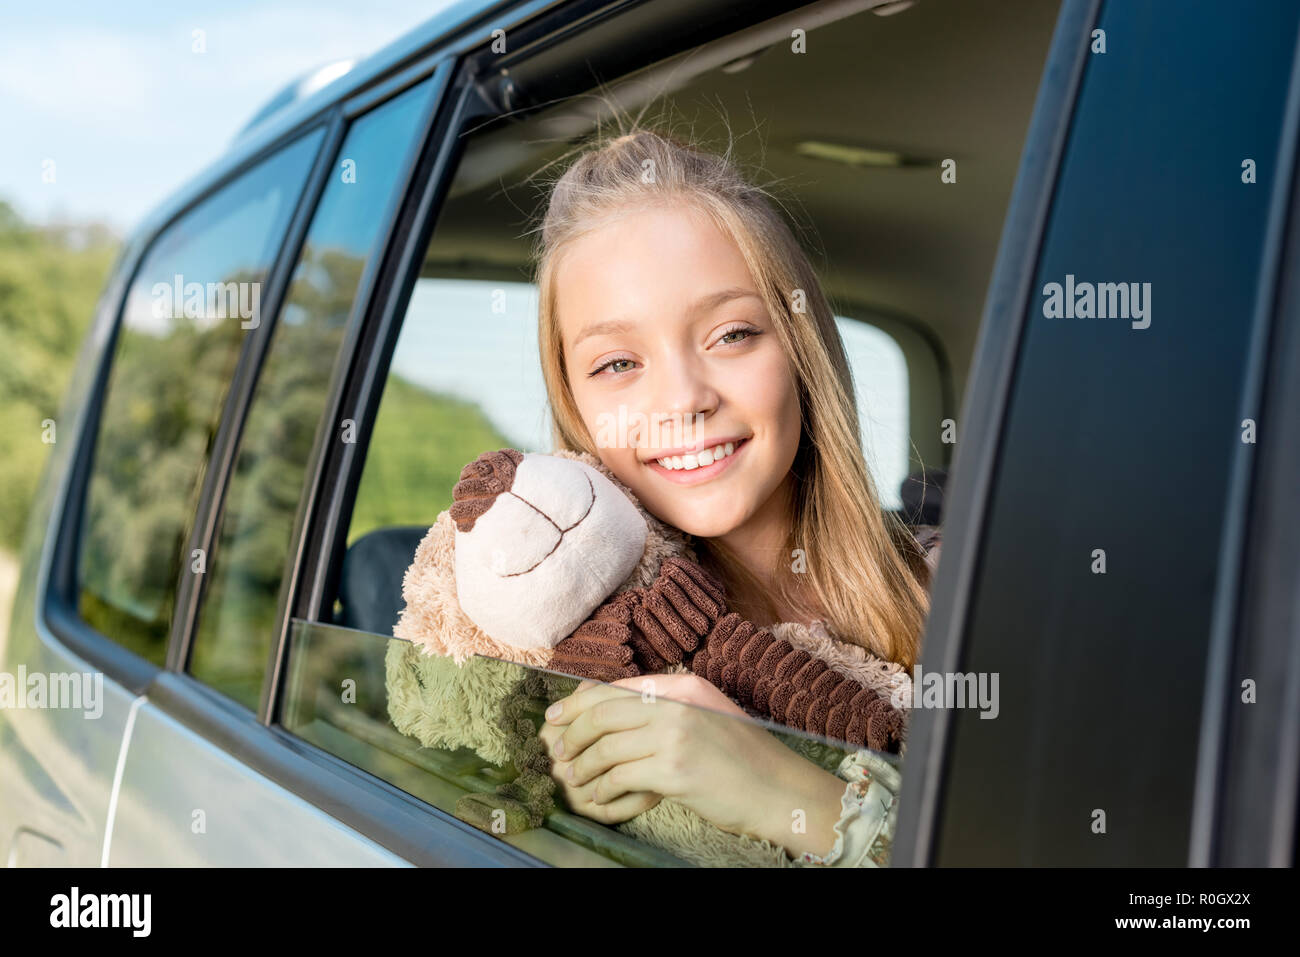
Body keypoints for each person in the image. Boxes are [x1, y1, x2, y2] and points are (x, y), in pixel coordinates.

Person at [531, 125, 940, 866]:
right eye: (618, 361)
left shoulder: (963, 600)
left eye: (732, 334)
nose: (682, 400)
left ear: (801, 352)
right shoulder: (563, 653)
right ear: (573, 402)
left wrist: (779, 789)